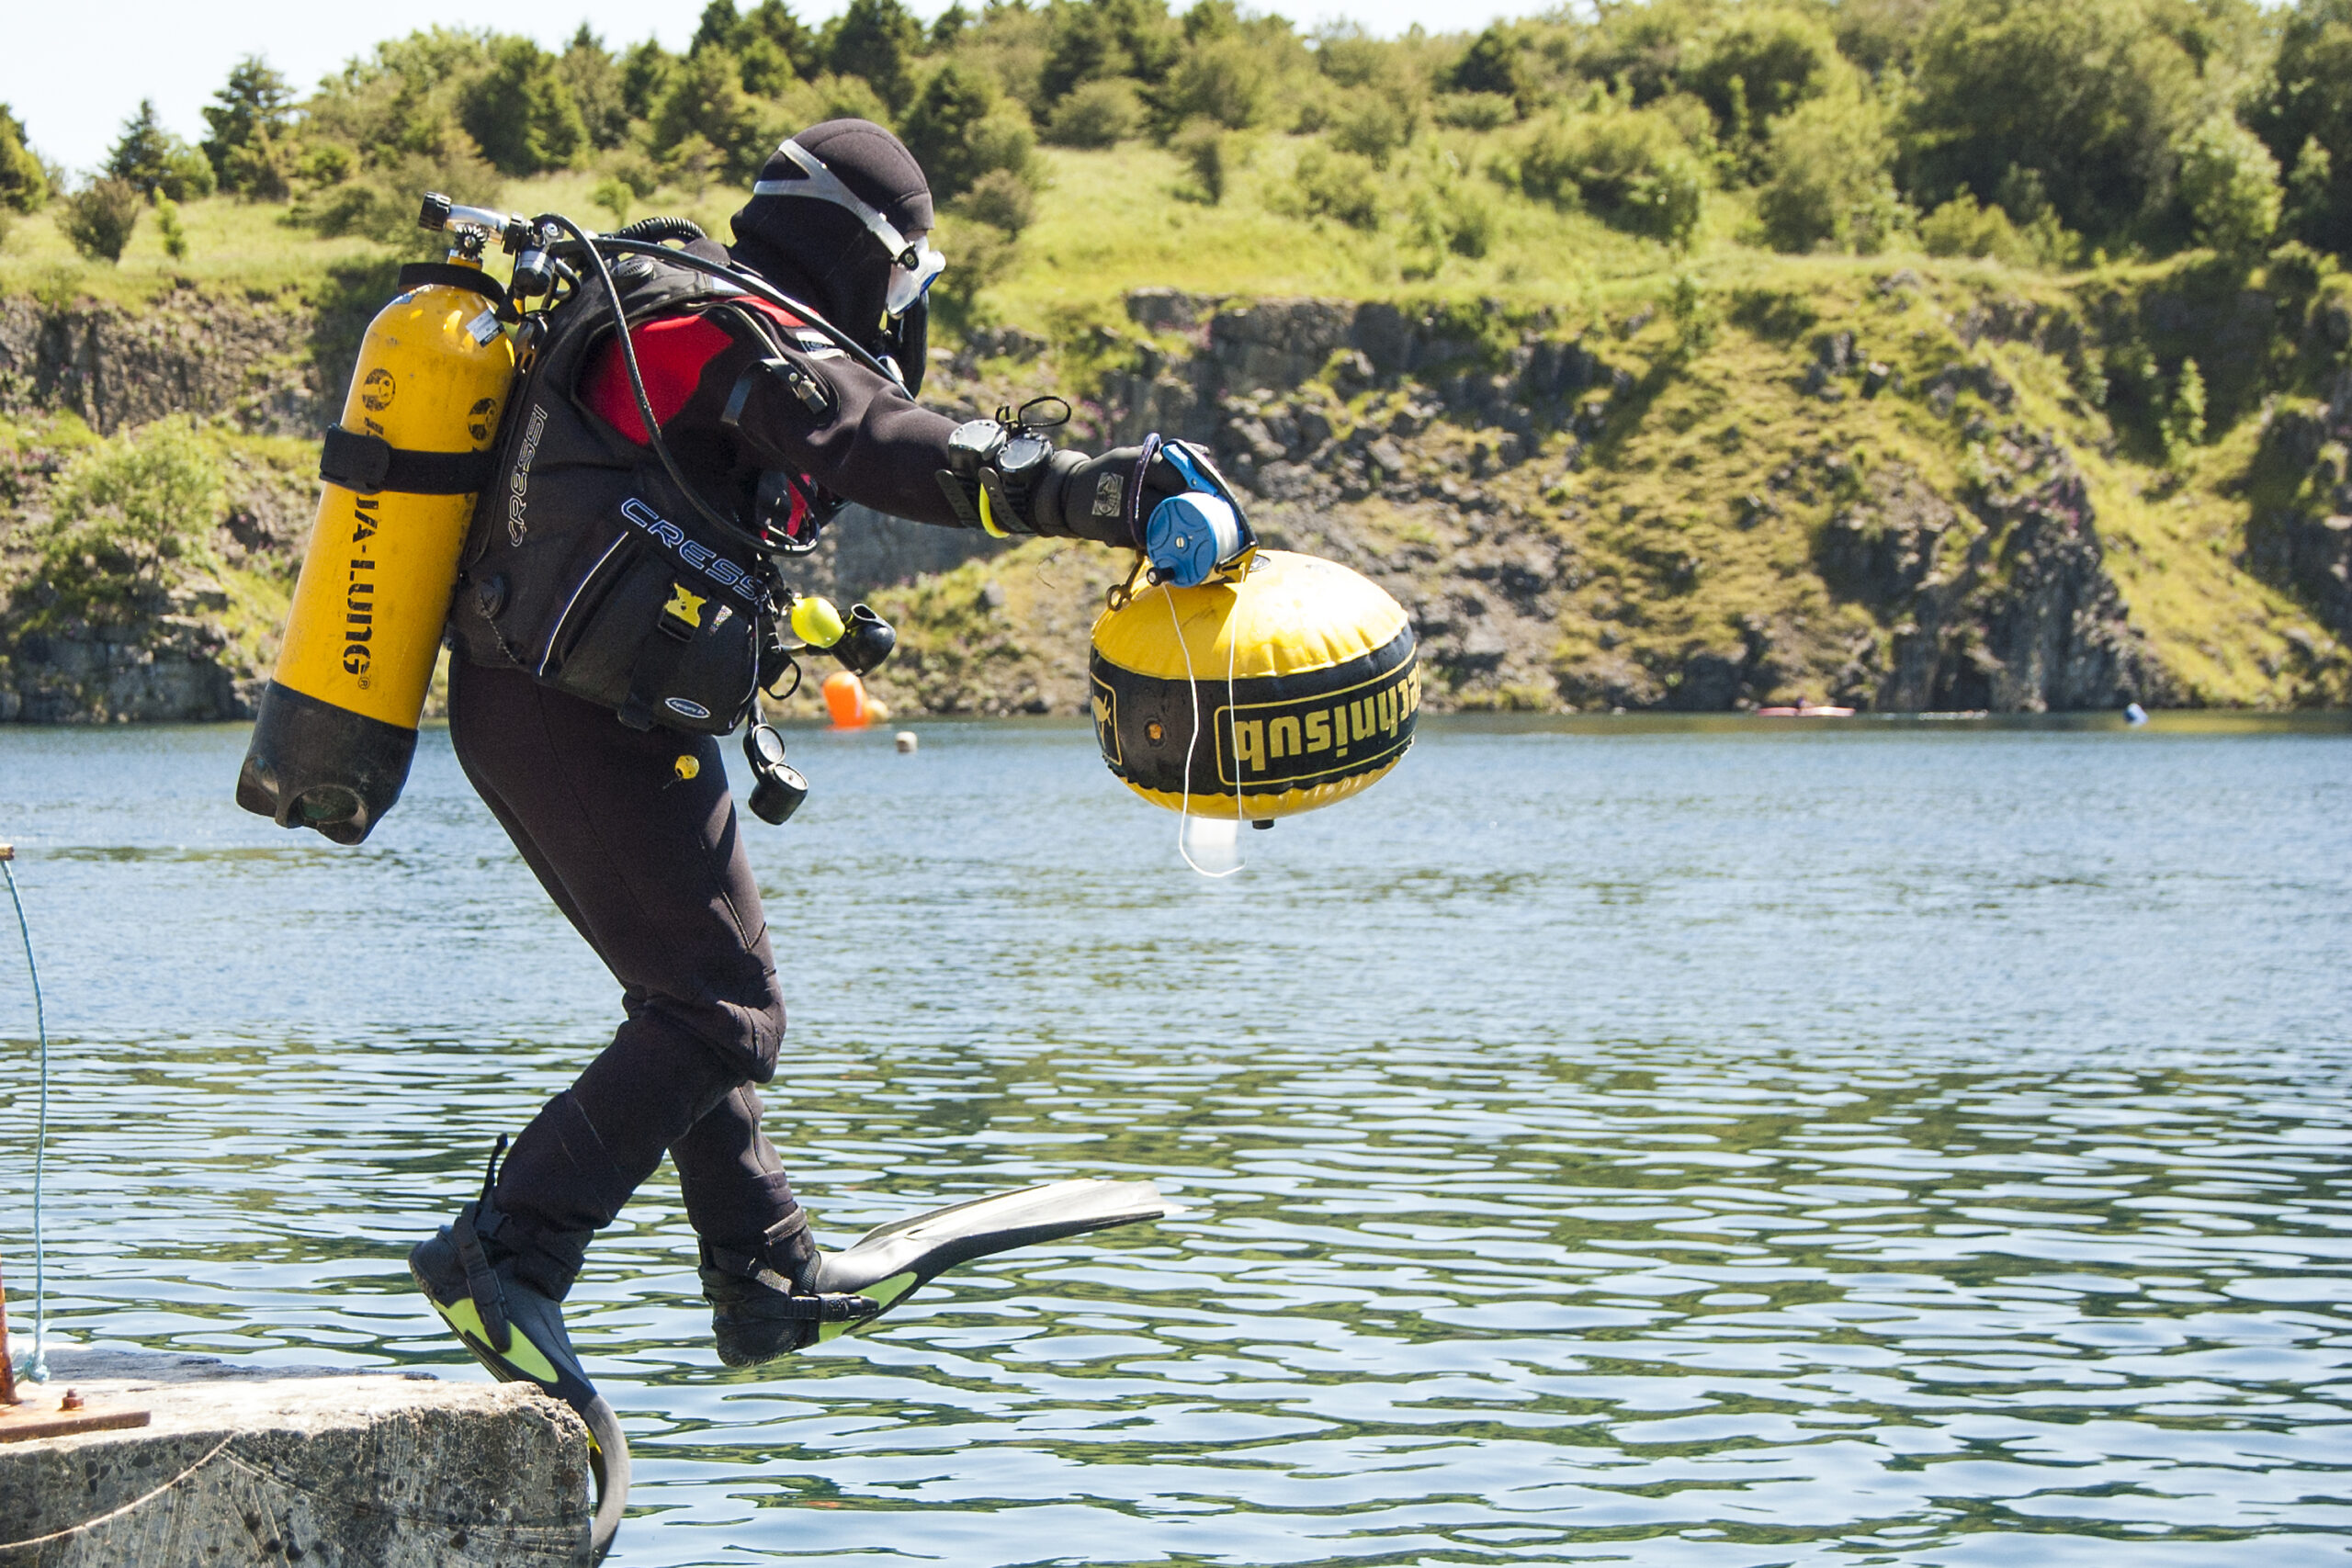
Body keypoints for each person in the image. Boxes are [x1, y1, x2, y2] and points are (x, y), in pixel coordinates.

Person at [407, 120, 1194, 1401]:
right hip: (575, 715)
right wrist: (1097, 490)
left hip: (561, 702)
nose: (902, 310)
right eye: (905, 278)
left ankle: (763, 1270)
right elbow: (875, 440)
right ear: (864, 253)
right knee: (722, 1008)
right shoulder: (724, 328)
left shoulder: (696, 309)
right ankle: (508, 1253)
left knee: (694, 996)